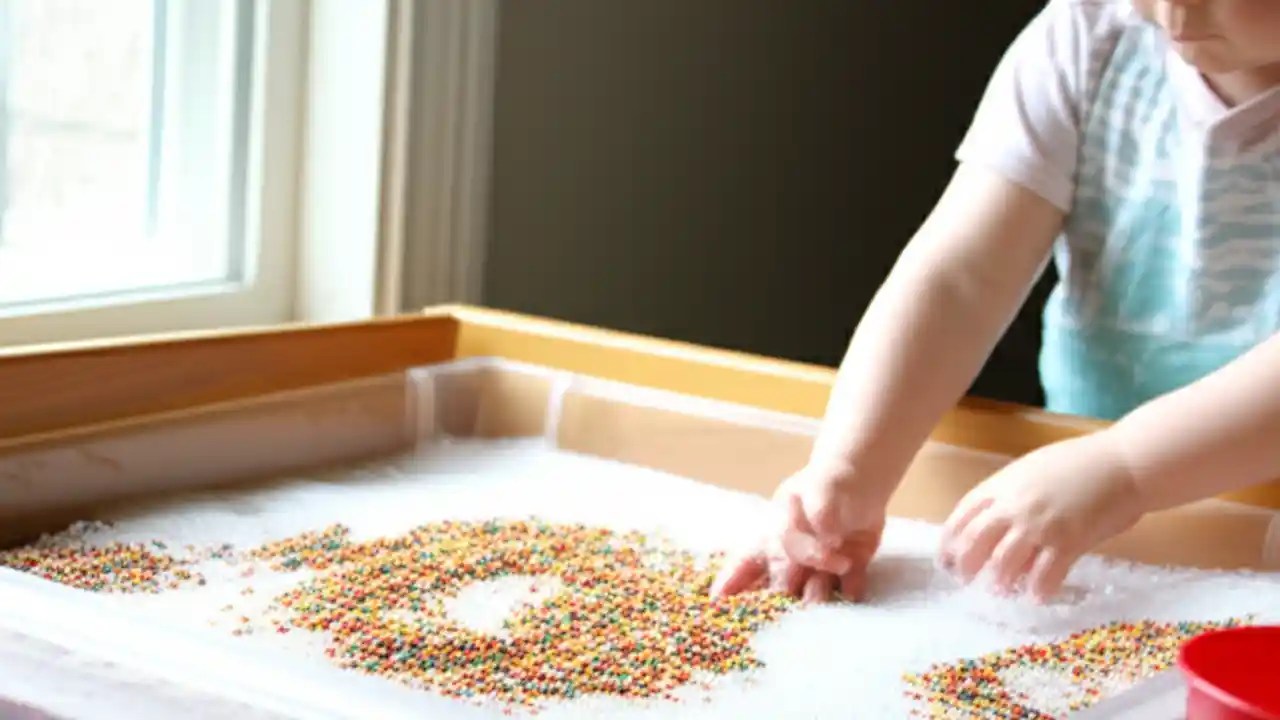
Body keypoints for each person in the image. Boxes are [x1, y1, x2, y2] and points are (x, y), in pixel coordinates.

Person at [712, 0, 1280, 605]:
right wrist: (848, 474)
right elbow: (961, 278)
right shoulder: (1090, 37)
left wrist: (1125, 468)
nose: (1172, 10)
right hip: (1088, 502)